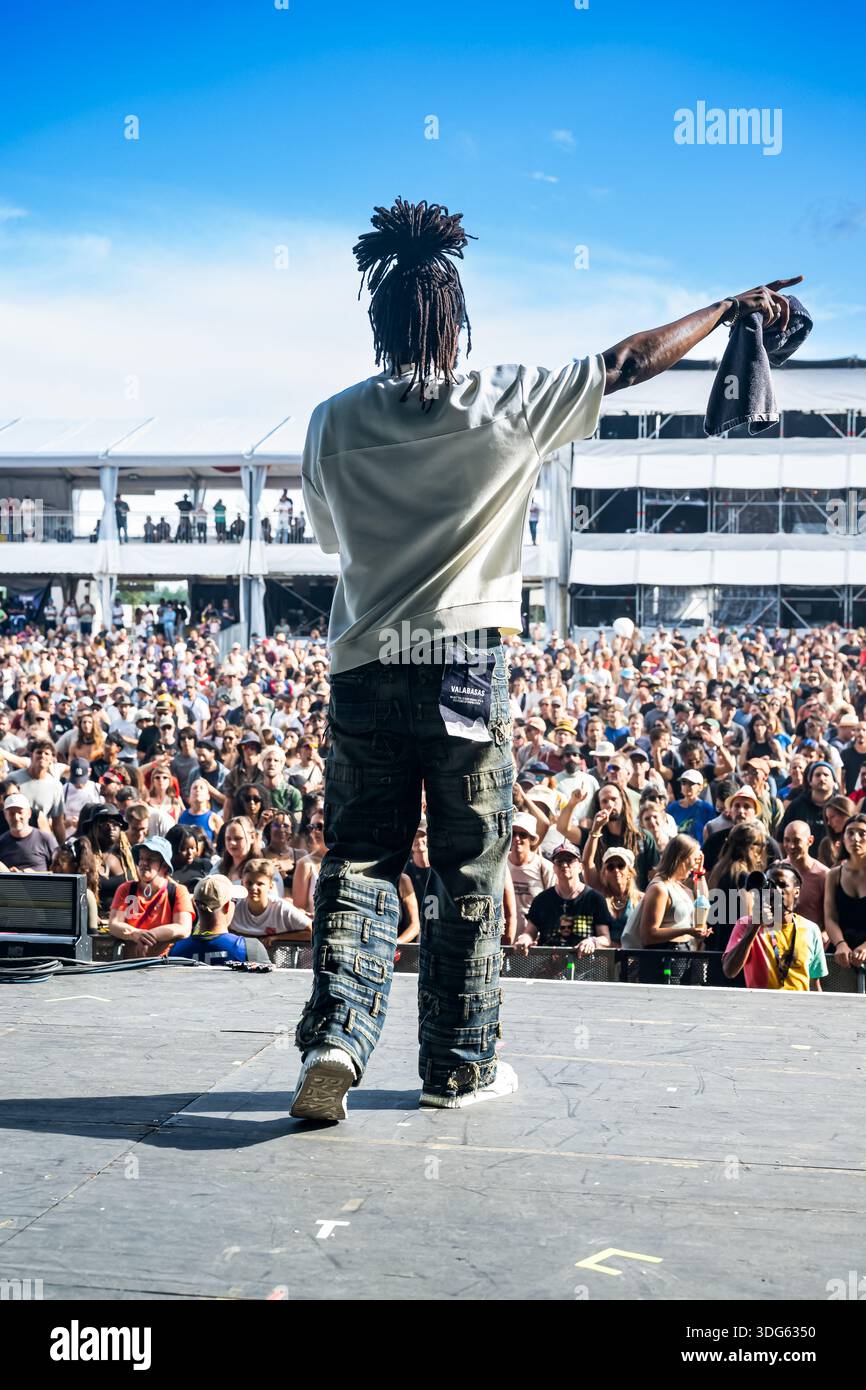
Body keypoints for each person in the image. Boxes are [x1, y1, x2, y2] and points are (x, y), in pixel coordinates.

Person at [292, 203, 799, 1118]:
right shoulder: (510, 401)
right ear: (454, 318)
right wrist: (727, 308)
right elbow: (629, 361)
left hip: (364, 665)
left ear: (380, 318)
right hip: (463, 668)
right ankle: (457, 1069)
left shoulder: (331, 422)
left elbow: (334, 541)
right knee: (466, 874)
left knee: (360, 861)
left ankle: (334, 1040)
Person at [723, 863, 828, 991]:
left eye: (782, 885)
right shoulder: (746, 924)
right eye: (770, 885)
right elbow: (729, 971)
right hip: (761, 1003)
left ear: (796, 891)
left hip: (800, 1003)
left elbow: (814, 983)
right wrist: (755, 926)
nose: (775, 890)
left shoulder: (811, 929)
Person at [624, 833, 711, 984]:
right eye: (694, 859)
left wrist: (699, 872)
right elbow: (648, 934)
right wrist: (687, 931)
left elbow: (703, 901)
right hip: (663, 960)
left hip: (683, 955)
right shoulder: (659, 888)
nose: (695, 864)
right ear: (682, 858)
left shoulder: (680, 886)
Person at [519, 838, 612, 953]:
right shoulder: (542, 900)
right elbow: (529, 933)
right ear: (554, 868)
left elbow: (605, 939)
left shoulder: (595, 899)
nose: (564, 864)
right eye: (559, 861)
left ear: (580, 867)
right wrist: (524, 939)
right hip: (549, 961)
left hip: (584, 961)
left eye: (569, 860)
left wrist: (592, 941)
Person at [108, 836, 193, 959]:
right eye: (141, 858)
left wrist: (150, 935)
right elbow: (114, 924)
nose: (143, 863)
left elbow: (183, 928)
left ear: (164, 865)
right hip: (128, 965)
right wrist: (135, 934)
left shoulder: (177, 891)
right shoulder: (126, 889)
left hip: (164, 964)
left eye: (150, 859)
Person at [169, 875, 270, 966]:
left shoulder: (176, 949)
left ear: (195, 905)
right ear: (227, 906)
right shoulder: (250, 948)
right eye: (234, 901)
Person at [231, 858, 312, 951]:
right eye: (249, 883)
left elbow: (312, 931)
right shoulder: (233, 907)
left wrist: (277, 938)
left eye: (260, 884)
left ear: (271, 886)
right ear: (242, 883)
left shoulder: (282, 908)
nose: (253, 888)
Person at [823, 814, 866, 969]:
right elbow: (830, 917)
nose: (855, 838)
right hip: (841, 955)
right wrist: (840, 944)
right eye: (850, 833)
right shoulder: (834, 874)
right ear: (843, 838)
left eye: (862, 833)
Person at [507, 811, 554, 936]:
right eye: (513, 834)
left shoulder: (544, 867)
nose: (517, 839)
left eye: (522, 835)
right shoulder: (501, 864)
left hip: (534, 941)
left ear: (532, 839)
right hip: (504, 939)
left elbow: (553, 904)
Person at [781, 820, 827, 935]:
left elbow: (833, 916)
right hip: (780, 940)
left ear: (810, 841)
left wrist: (824, 935)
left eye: (797, 841)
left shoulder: (824, 875)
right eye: (787, 840)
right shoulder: (777, 872)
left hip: (810, 939)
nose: (791, 846)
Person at [0, 792, 58, 870]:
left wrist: (33, 874)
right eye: (12, 813)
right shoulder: (2, 842)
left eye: (20, 812)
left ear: (29, 813)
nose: (16, 817)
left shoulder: (45, 839)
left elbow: (59, 869)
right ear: (5, 815)